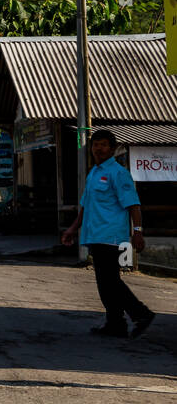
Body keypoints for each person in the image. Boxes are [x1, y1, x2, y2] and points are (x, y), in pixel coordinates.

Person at [61, 130, 155, 338]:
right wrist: (72, 229)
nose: (99, 148)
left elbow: (134, 205)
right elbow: (85, 207)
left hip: (112, 236)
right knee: (104, 283)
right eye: (96, 145)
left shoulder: (118, 173)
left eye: (104, 145)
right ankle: (116, 323)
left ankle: (141, 314)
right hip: (94, 234)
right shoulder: (93, 173)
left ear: (112, 149)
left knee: (110, 281)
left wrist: (138, 232)